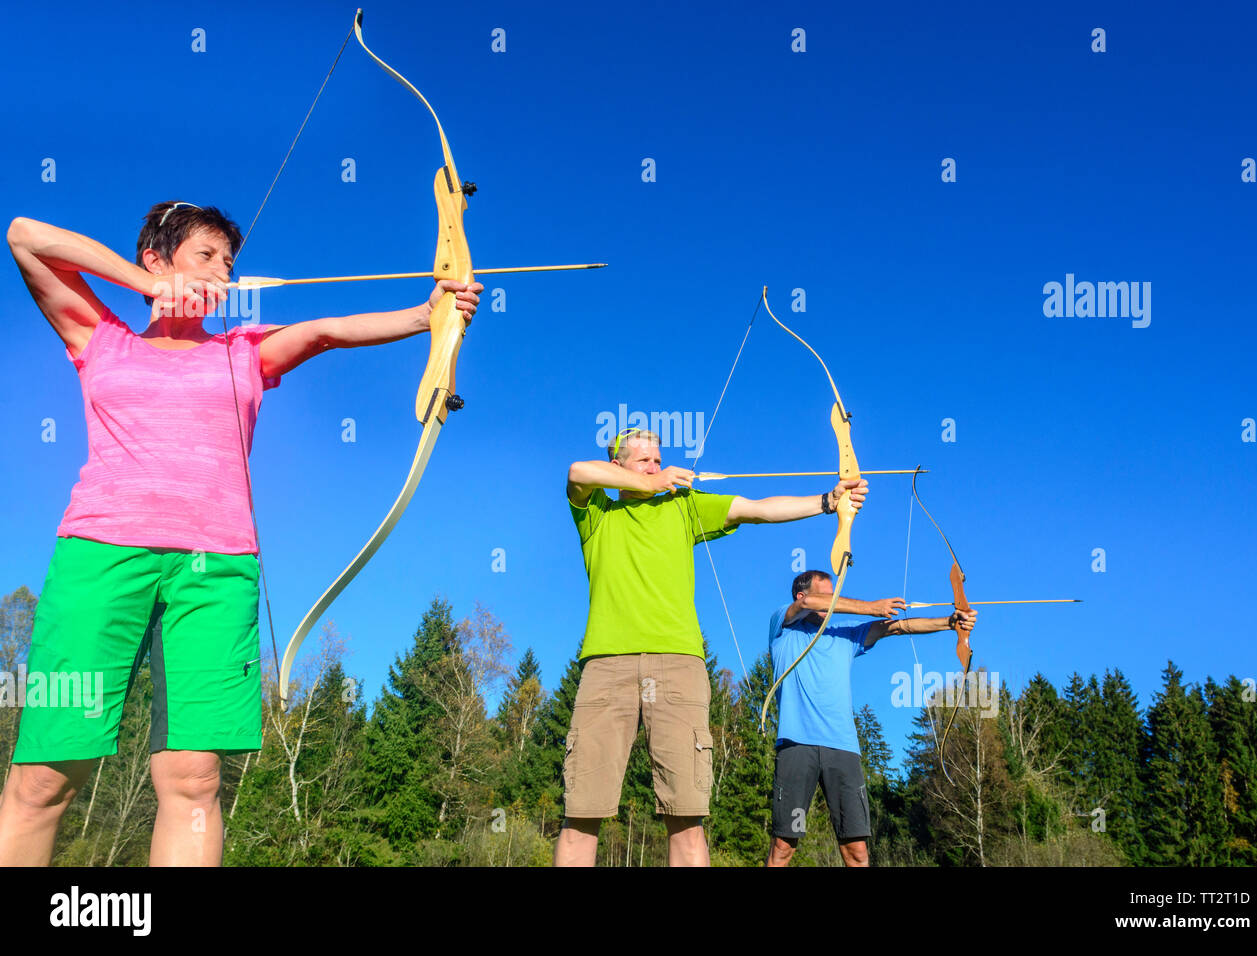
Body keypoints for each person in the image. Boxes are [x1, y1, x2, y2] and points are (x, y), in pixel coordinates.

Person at [0, 203, 482, 866]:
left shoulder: (244, 352)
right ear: (155, 256)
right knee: (49, 771)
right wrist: (146, 291)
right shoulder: (102, 337)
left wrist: (432, 315)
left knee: (194, 779)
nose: (221, 275)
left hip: (217, 569)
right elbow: (25, 236)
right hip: (99, 554)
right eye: (205, 257)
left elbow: (326, 331)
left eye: (229, 265)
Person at [556, 427, 867, 866]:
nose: (655, 467)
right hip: (607, 666)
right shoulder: (597, 514)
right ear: (617, 467)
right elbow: (576, 471)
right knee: (581, 812)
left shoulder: (683, 507)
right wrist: (648, 483)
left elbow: (757, 509)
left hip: (680, 667)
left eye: (658, 460)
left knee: (686, 816)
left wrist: (826, 502)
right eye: (644, 460)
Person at [765, 570, 977, 867]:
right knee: (784, 846)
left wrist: (950, 622)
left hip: (843, 749)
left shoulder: (846, 634)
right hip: (797, 745)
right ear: (801, 595)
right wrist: (871, 606)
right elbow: (806, 605)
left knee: (857, 852)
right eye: (828, 596)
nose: (832, 601)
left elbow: (897, 627)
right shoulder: (782, 628)